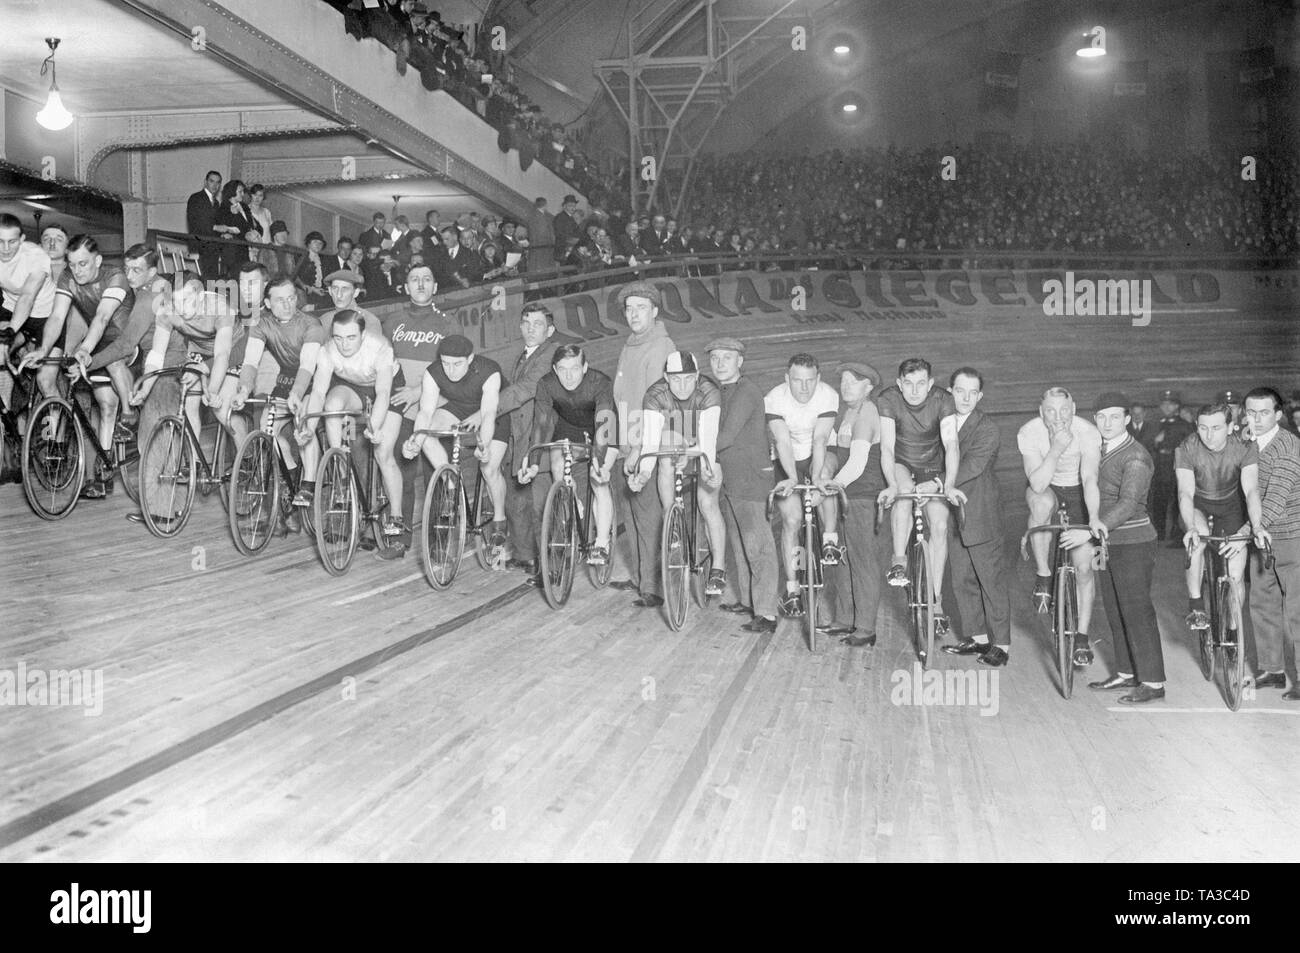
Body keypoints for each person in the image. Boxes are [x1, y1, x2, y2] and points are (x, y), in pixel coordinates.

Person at [1072, 393, 1164, 704]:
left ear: (1127, 419)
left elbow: (1128, 504)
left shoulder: (1134, 456)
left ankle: (1152, 681)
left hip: (1134, 542)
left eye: (1114, 417)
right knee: (1114, 608)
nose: (1107, 423)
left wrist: (1090, 530)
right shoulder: (1098, 449)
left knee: (1137, 610)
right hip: (1108, 544)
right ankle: (1126, 672)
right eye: (1101, 417)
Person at [300, 309, 408, 544]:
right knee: (332, 404)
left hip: (385, 389)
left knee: (383, 453)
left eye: (351, 338)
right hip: (352, 386)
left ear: (362, 334)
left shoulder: (380, 347)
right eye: (338, 337)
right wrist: (308, 426)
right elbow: (318, 391)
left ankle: (397, 515)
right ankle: (339, 463)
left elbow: (382, 393)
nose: (344, 344)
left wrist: (374, 427)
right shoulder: (327, 350)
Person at [628, 351, 727, 603]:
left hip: (704, 442)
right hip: (675, 440)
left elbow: (708, 441)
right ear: (665, 378)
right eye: (675, 380)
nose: (682, 386)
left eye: (688, 379)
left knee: (707, 502)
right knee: (663, 449)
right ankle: (671, 518)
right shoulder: (655, 394)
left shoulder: (708, 390)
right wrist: (643, 473)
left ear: (697, 376)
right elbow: (651, 441)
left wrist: (706, 467)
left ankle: (718, 567)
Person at [402, 334, 510, 563]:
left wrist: (485, 445)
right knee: (427, 433)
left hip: (493, 413)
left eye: (457, 364)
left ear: (470, 358)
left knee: (489, 469)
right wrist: (415, 441)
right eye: (445, 363)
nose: (450, 371)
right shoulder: (433, 371)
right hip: (458, 408)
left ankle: (500, 523)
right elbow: (425, 411)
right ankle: (452, 486)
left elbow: (489, 412)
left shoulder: (489, 370)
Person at [876, 357, 964, 633]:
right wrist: (890, 483)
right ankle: (899, 561)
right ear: (900, 384)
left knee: (939, 525)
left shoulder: (943, 400)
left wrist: (946, 484)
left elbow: (951, 445)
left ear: (931, 384)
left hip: (932, 467)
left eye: (921, 384)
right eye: (909, 384)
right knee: (902, 493)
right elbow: (887, 448)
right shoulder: (888, 399)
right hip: (902, 462)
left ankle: (936, 601)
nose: (915, 391)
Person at [230, 277, 327, 521]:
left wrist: (297, 393)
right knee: (268, 431)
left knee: (303, 425)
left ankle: (309, 483)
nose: (287, 304)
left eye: (291, 298)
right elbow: (251, 361)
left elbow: (308, 364)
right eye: (280, 300)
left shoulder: (311, 324)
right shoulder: (262, 324)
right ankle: (292, 475)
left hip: (315, 380)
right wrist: (243, 390)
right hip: (286, 380)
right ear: (267, 303)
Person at [1018, 386, 1103, 665]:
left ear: (1074, 409)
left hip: (1079, 491)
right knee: (1040, 504)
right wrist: (1055, 449)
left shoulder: (1088, 432)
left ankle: (1081, 637)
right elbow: (1038, 483)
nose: (1058, 417)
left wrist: (1092, 520)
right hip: (1047, 487)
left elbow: (1090, 478)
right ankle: (1043, 575)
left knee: (1085, 567)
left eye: (1064, 410)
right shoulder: (1030, 431)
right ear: (1042, 412)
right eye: (1051, 411)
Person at [518, 344, 618, 572]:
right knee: (557, 464)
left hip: (604, 427)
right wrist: (533, 464)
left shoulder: (599, 382)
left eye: (574, 368)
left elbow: (604, 423)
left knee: (597, 478)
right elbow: (541, 424)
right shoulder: (546, 384)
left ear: (585, 367)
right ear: (554, 369)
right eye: (562, 369)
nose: (569, 376)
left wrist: (599, 460)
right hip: (570, 426)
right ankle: (573, 501)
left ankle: (601, 543)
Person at [940, 367, 1010, 666]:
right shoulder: (942, 423)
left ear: (980, 396)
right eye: (959, 391)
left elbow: (971, 467)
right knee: (962, 579)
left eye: (972, 392)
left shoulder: (987, 428)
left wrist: (936, 482)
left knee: (990, 581)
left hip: (980, 511)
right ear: (949, 391)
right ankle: (978, 638)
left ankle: (1002, 645)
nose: (966, 398)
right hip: (953, 512)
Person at [610, 280, 675, 602]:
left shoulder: (660, 347)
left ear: (655, 311)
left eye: (641, 308)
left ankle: (652, 586)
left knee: (647, 514)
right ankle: (640, 576)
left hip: (648, 443)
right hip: (628, 439)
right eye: (629, 308)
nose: (634, 314)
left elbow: (657, 402)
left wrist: (639, 448)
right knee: (632, 514)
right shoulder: (632, 343)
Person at [709, 338, 779, 633]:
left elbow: (725, 436)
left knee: (758, 545)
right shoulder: (721, 391)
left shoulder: (746, 392)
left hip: (750, 478)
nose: (720, 363)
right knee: (739, 543)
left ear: (740, 361)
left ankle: (767, 613)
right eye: (715, 358)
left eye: (727, 357)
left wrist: (693, 450)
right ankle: (751, 601)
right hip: (731, 477)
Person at [817, 362, 888, 646]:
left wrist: (832, 486)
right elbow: (835, 451)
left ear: (868, 387)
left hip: (863, 495)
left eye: (853, 382)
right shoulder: (848, 412)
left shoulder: (868, 412)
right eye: (844, 381)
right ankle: (845, 620)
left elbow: (858, 464)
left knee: (862, 561)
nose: (846, 386)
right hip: (848, 493)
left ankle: (866, 628)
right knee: (843, 558)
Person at [1176, 402, 1262, 634]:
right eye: (1203, 428)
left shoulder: (1245, 445)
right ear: (1196, 426)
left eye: (1216, 428)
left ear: (1231, 426)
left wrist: (1256, 526)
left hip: (1230, 507)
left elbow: (1252, 490)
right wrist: (1191, 528)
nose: (1209, 435)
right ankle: (1196, 605)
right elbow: (1185, 493)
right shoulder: (1187, 447)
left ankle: (1233, 631)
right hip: (1198, 506)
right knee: (1198, 540)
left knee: (1235, 572)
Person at [766, 353, 839, 617]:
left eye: (810, 381)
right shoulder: (774, 398)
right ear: (787, 379)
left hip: (817, 453)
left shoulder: (828, 394)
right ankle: (793, 589)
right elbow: (783, 442)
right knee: (792, 521)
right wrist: (793, 480)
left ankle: (830, 539)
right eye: (798, 381)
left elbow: (820, 439)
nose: (804, 388)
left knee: (826, 476)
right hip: (788, 460)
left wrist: (817, 478)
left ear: (818, 379)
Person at [1244, 387, 1300, 699]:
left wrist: (1245, 532)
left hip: (1292, 536)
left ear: (1278, 414)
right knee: (1262, 603)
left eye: (1264, 412)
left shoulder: (1288, 447)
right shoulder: (1247, 444)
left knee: (1297, 610)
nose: (1256, 418)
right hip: (1262, 539)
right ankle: (1272, 670)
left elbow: (1275, 501)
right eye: (1251, 412)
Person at [499, 304, 557, 576]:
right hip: (519, 434)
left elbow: (525, 389)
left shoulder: (550, 354)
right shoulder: (523, 354)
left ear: (550, 330)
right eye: (526, 323)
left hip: (537, 434)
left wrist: (487, 409)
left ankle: (545, 561)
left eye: (537, 324)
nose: (531, 328)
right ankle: (525, 554)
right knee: (516, 500)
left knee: (538, 502)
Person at [0, 214, 55, 384]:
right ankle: (7, 409)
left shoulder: (36, 256)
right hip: (11, 307)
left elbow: (27, 297)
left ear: (22, 239)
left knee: (45, 382)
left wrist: (10, 331)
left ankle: (54, 409)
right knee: (1, 354)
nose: (6, 248)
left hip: (44, 314)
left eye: (12, 241)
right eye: (0, 241)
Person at [1149, 389, 1195, 540]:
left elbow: (1190, 445)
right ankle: (1159, 534)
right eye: (1164, 405)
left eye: (1171, 405)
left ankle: (1178, 536)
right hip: (1161, 468)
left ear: (1177, 407)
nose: (1166, 408)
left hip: (1177, 467)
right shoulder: (1157, 424)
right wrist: (1156, 442)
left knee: (1178, 502)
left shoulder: (1184, 424)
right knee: (1159, 502)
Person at [185, 169, 224, 278]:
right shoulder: (196, 198)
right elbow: (197, 222)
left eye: (218, 182)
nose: (215, 185)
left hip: (211, 244)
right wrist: (216, 228)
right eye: (212, 181)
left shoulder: (216, 203)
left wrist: (223, 233)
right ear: (205, 182)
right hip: (201, 243)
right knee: (210, 276)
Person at [294, 232, 331, 309]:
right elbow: (296, 278)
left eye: (320, 243)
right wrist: (313, 289)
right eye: (315, 242)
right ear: (308, 243)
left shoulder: (323, 260)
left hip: (319, 293)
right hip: (304, 294)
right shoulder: (300, 257)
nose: (318, 245)